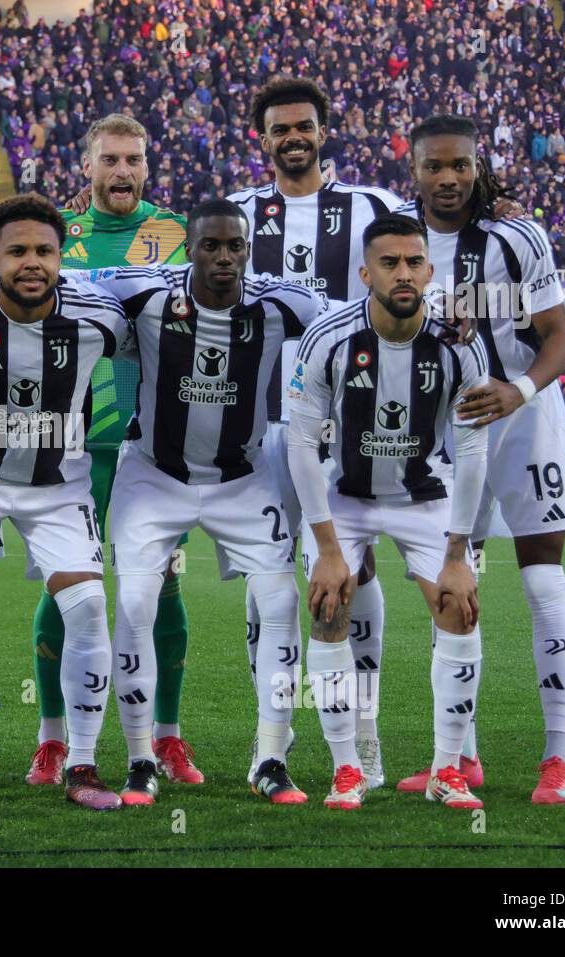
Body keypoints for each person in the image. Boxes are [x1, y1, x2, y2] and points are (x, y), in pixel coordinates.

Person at [79, 200, 325, 804]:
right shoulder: (147, 294)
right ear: (189, 248)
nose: (224, 257)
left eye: (234, 246)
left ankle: (271, 755)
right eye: (210, 245)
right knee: (134, 602)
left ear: (248, 249)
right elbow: (69, 283)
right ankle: (140, 758)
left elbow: (351, 318)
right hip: (154, 476)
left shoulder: (279, 304)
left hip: (245, 478)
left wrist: (441, 316)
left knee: (281, 600)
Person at [0, 194, 132, 814]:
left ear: (63, 256)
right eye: (15, 252)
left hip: (58, 486)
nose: (31, 262)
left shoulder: (99, 314)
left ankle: (83, 764)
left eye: (43, 250)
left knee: (89, 607)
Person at [398, 114, 565, 804]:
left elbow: (561, 337)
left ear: (478, 166)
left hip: (527, 424)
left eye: (460, 165)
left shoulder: (518, 235)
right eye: (434, 167)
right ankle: (461, 755)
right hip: (449, 438)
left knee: (543, 585)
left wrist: (521, 388)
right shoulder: (397, 239)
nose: (448, 178)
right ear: (413, 170)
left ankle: (558, 758)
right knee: (456, 588)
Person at [227, 77, 405, 788]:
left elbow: (428, 269)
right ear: (262, 138)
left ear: (323, 130)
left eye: (304, 125)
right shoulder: (237, 214)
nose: (293, 137)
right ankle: (274, 734)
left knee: (356, 571)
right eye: (279, 128)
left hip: (354, 426)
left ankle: (362, 730)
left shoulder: (375, 208)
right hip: (261, 425)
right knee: (266, 576)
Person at [289, 213, 490, 810]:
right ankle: (347, 768)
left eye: (414, 262)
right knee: (328, 607)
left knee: (461, 605)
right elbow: (302, 446)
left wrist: (457, 556)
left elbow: (474, 450)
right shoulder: (329, 338)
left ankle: (447, 770)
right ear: (365, 272)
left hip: (424, 494)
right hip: (344, 498)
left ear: (430, 269)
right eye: (389, 263)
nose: (403, 273)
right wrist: (327, 549)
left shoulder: (460, 344)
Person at [46, 114, 200, 788]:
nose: (122, 171)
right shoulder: (59, 234)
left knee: (160, 586)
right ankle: (53, 740)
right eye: (109, 159)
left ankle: (166, 736)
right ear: (88, 167)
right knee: (65, 588)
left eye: (133, 159)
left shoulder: (173, 235)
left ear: (147, 166)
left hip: (150, 443)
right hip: (73, 442)